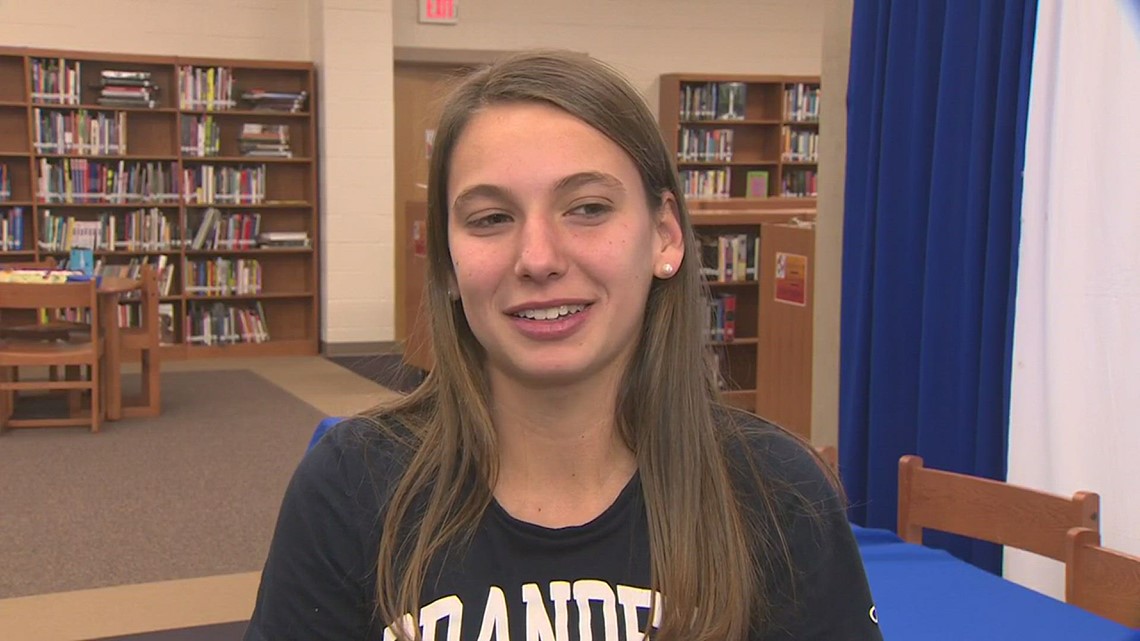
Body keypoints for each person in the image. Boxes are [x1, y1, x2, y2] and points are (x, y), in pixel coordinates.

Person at [245, 50, 881, 641]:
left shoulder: (775, 493)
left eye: (588, 207)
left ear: (664, 237)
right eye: (491, 218)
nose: (538, 259)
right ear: (448, 266)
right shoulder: (351, 487)